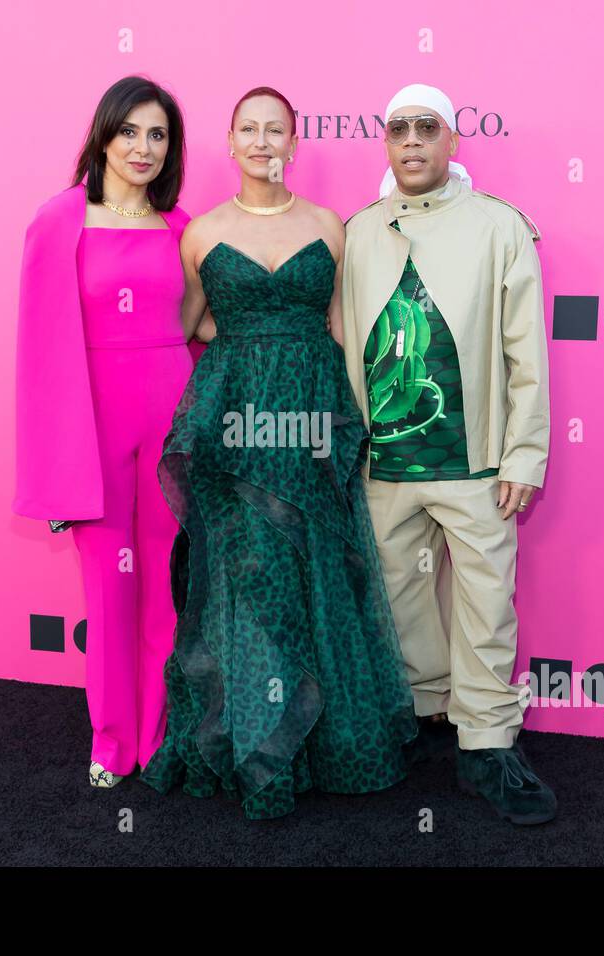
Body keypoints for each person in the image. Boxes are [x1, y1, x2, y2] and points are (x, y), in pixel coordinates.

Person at [138, 86, 418, 820]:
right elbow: (193, 324)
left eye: (276, 130)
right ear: (229, 144)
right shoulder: (200, 234)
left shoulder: (330, 227)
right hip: (236, 424)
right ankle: (259, 745)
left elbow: (338, 324)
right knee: (252, 575)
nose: (262, 141)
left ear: (295, 144)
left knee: (315, 567)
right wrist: (250, 360)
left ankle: (320, 741)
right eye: (248, 130)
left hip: (310, 421)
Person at [340, 83, 557, 824]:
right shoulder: (360, 231)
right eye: (397, 128)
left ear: (452, 141)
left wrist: (525, 455)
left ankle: (489, 743)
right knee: (398, 597)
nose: (410, 141)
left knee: (486, 601)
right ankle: (428, 715)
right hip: (385, 463)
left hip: (476, 460)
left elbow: (527, 353)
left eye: (425, 128)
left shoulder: (500, 228)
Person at [12, 75, 194, 789]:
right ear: (104, 135)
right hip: (96, 427)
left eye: (158, 135)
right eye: (130, 132)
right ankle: (114, 741)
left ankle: (160, 739)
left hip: (172, 423)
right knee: (110, 589)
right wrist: (57, 468)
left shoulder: (183, 227)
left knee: (167, 591)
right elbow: (41, 351)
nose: (143, 148)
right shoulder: (61, 220)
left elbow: (201, 329)